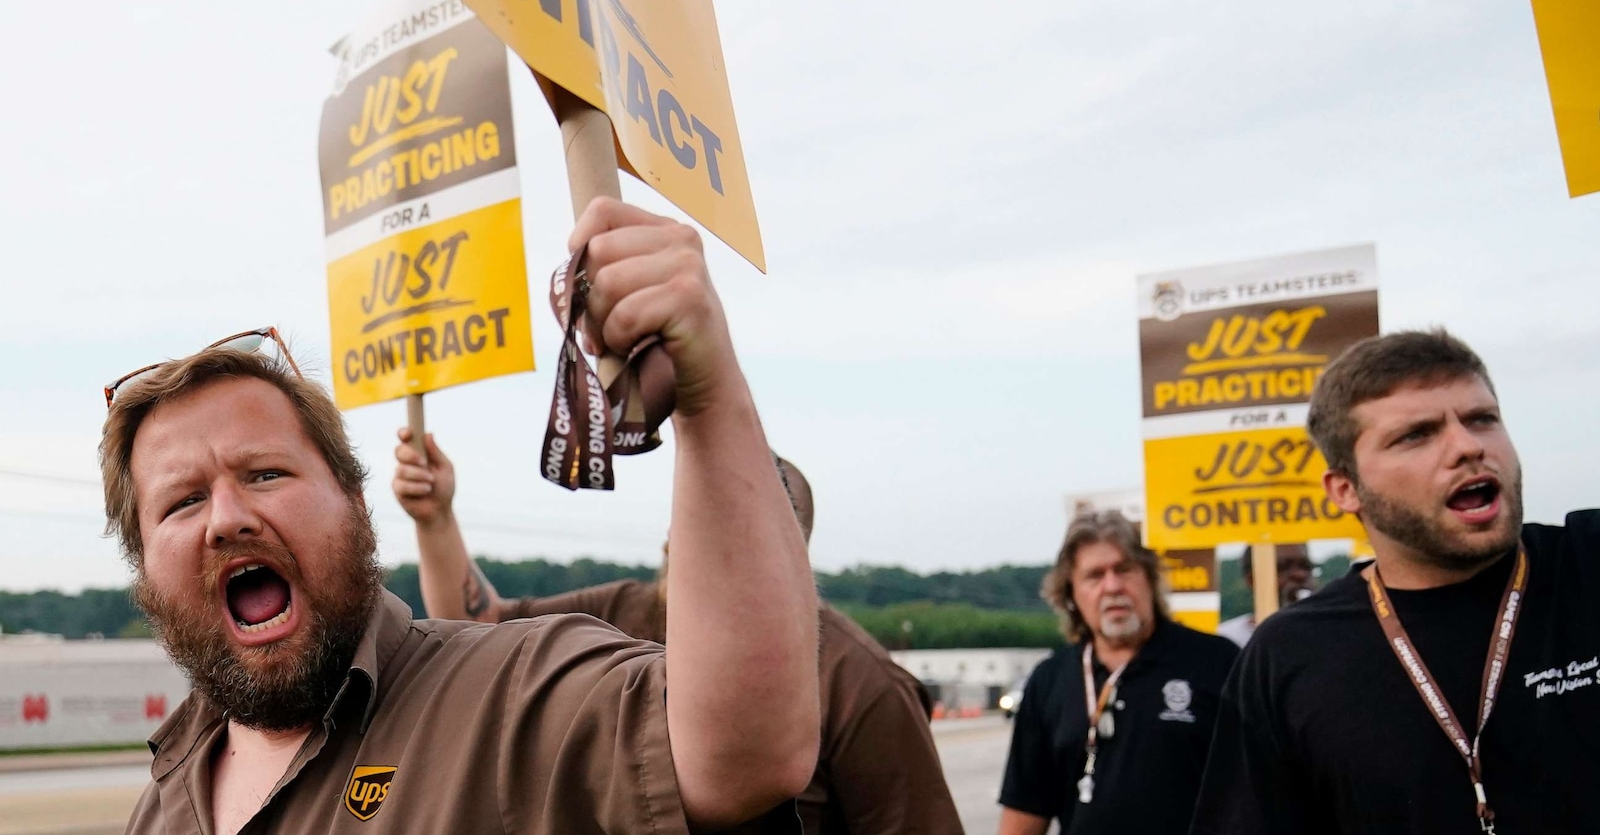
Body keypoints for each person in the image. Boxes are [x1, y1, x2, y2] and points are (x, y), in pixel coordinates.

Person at [104, 198, 821, 835]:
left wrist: (708, 387)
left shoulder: (509, 703)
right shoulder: (164, 804)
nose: (226, 518)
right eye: (184, 501)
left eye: (265, 473)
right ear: (144, 566)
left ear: (354, 498)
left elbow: (744, 754)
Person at [392, 437, 965, 834]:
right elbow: (480, 627)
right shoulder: (621, 610)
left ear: (792, 550)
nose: (698, 539)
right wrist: (435, 519)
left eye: (738, 529)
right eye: (693, 515)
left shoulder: (862, 683)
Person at [1190, 329, 1600, 834]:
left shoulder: (1588, 561)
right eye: (1417, 435)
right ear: (1345, 489)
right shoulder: (1289, 656)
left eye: (1482, 419)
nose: (1468, 447)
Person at [998, 511, 1239, 835]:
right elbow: (1025, 808)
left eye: (1124, 569)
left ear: (1149, 578)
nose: (1112, 586)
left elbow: (1256, 792)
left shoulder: (1217, 661)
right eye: (1095, 576)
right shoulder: (1049, 680)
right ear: (1071, 594)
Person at [1214, 543, 1316, 647]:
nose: (1300, 574)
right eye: (1282, 567)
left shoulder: (1328, 633)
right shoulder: (1227, 640)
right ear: (1252, 580)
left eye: (1306, 567)